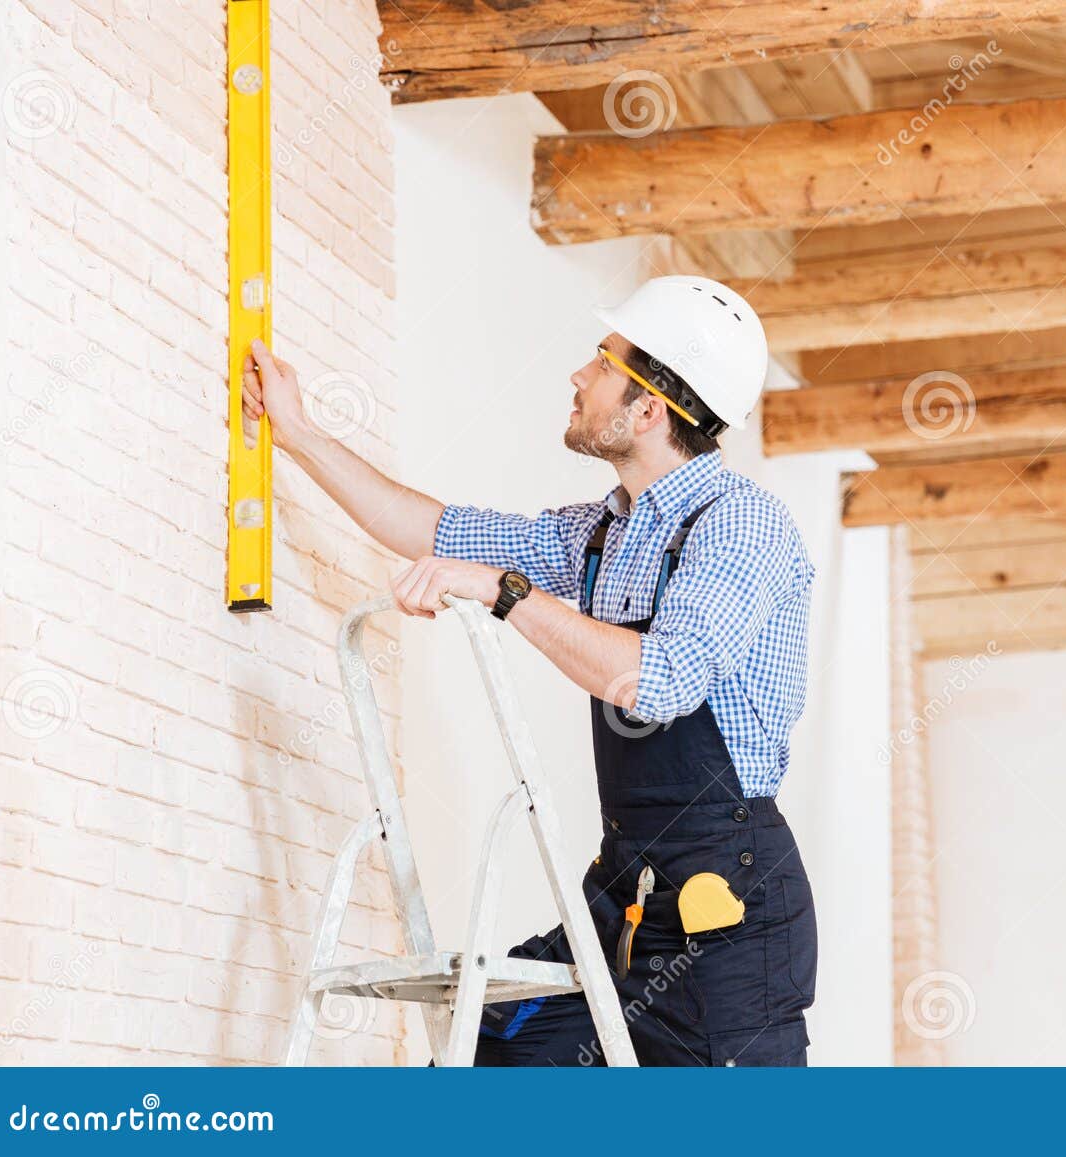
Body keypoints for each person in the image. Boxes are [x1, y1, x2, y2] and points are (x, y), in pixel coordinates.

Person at [243, 277, 817, 1066]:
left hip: (727, 927)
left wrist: (507, 593)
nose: (579, 377)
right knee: (494, 1049)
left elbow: (661, 681)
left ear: (649, 409)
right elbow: (432, 530)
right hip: (626, 898)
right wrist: (298, 433)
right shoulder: (601, 536)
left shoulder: (740, 523)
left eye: (602, 362)